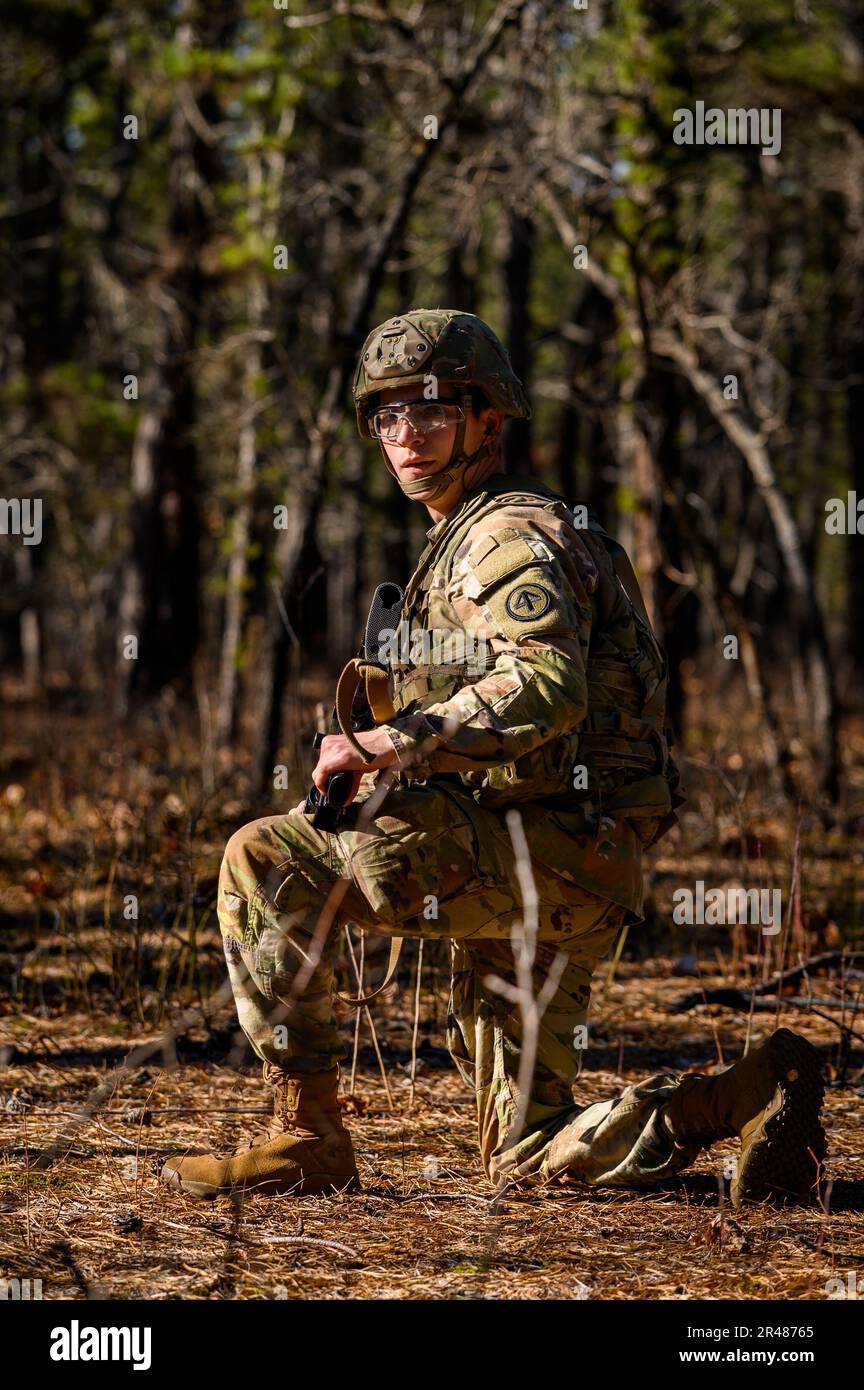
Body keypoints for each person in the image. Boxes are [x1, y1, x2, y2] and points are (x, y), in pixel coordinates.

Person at [161, 309, 826, 1205]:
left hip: (529, 853)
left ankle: (307, 1136)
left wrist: (392, 741)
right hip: (576, 870)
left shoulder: (504, 537)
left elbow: (549, 682)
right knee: (527, 1152)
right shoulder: (491, 535)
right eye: (389, 415)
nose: (407, 435)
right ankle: (744, 1095)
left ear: (488, 419)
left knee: (263, 858)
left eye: (433, 410)